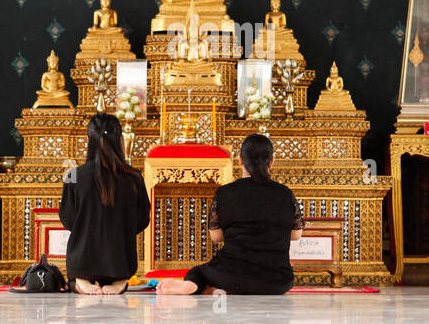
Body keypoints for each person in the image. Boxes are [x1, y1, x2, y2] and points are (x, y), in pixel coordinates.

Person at [156, 133, 302, 296]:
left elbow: (216, 236)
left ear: (240, 160)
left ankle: (195, 285)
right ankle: (219, 289)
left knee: (199, 272)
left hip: (232, 276)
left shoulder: (225, 192)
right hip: (277, 281)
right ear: (272, 162)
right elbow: (296, 234)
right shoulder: (285, 193)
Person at [60, 113, 150, 294]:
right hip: (120, 262)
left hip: (82, 262)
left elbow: (67, 218)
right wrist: (121, 230)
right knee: (119, 264)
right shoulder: (134, 177)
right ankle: (120, 280)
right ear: (120, 140)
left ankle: (82, 279)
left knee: (82, 255)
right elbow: (142, 219)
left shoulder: (74, 175)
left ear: (88, 139)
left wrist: (86, 227)